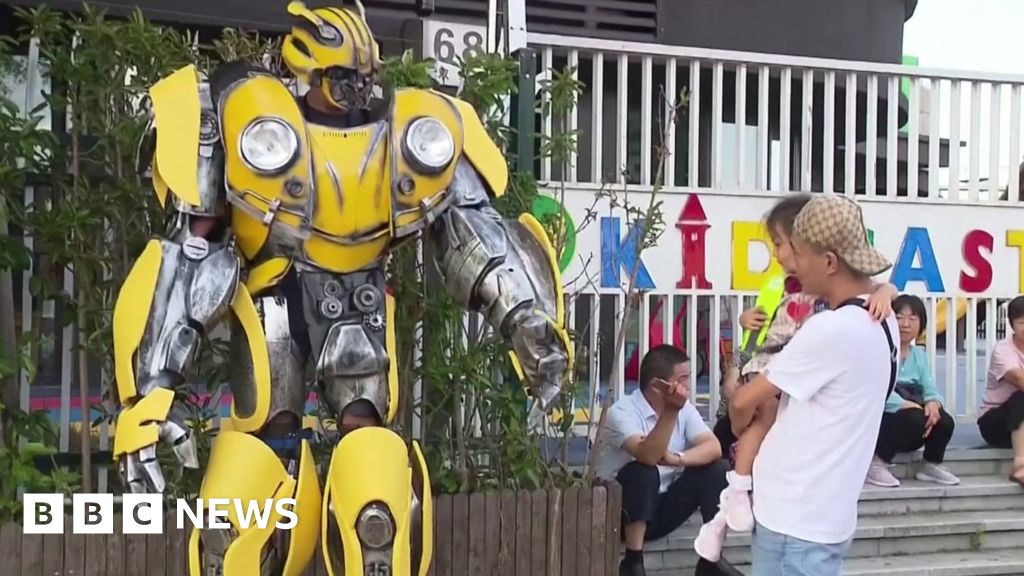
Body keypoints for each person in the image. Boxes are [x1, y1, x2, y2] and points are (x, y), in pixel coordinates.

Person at [697, 194, 895, 562]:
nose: (788, 262)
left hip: (795, 524)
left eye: (796, 252)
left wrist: (742, 419)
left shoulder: (830, 329)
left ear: (830, 261)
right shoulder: (884, 321)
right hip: (823, 515)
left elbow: (742, 403)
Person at [594, 345, 728, 576]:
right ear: (657, 385)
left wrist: (677, 459)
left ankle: (710, 559)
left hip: (663, 507)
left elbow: (714, 447)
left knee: (718, 468)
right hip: (621, 514)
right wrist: (671, 411)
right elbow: (648, 456)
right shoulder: (621, 412)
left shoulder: (684, 409)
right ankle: (633, 563)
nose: (688, 386)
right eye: (682, 379)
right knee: (643, 471)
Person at [867, 294, 959, 487]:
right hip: (881, 416)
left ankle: (930, 464)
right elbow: (874, 389)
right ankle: (876, 464)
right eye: (899, 317)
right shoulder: (878, 349)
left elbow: (929, 386)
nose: (905, 324)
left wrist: (933, 402)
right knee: (914, 416)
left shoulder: (919, 354)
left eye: (913, 319)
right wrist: (905, 404)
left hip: (911, 415)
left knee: (943, 420)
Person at [978, 295, 1024, 487]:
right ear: (1012, 325)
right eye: (1022, 322)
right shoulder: (1004, 350)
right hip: (995, 424)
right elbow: (1020, 381)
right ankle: (1020, 464)